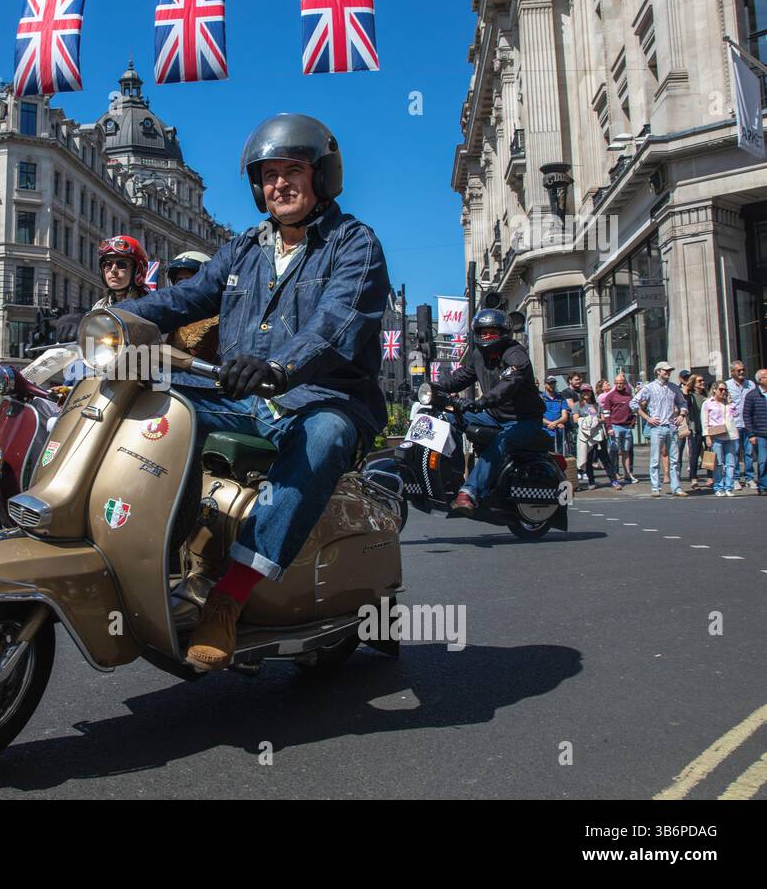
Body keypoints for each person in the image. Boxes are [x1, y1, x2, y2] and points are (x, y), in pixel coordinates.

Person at [107, 112, 390, 671]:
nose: (279, 184)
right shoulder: (242, 250)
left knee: (323, 438)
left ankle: (228, 599)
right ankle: (164, 550)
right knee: (156, 401)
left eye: (293, 170)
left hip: (320, 399)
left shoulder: (354, 244)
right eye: (267, 175)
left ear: (321, 176)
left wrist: (277, 367)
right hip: (243, 398)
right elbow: (181, 301)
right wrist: (111, 321)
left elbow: (336, 324)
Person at [435, 309, 546, 514]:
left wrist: (481, 402)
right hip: (493, 416)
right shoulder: (479, 356)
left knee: (500, 444)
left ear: (503, 333)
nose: (487, 336)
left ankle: (468, 493)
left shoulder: (515, 354)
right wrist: (434, 387)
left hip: (523, 420)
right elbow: (461, 376)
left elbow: (508, 384)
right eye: (483, 332)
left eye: (492, 332)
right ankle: (453, 476)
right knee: (448, 417)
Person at [631, 361, 690, 497]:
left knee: (674, 460)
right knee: (655, 459)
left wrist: (681, 415)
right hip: (656, 427)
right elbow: (633, 402)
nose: (668, 373)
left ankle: (676, 487)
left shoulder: (674, 387)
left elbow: (683, 403)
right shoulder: (649, 388)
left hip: (671, 426)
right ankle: (655, 487)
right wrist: (647, 418)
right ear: (658, 371)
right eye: (665, 370)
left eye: (669, 371)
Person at [164, 251, 220, 362]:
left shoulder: (219, 319)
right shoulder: (165, 314)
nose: (184, 286)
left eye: (191, 280)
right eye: (179, 280)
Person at [573, 387, 619, 489]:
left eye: (588, 391)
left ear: (591, 392)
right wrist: (588, 420)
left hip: (598, 435)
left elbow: (603, 419)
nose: (586, 393)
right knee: (588, 459)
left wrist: (595, 420)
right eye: (583, 391)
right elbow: (575, 419)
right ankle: (591, 481)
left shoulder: (597, 405)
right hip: (586, 436)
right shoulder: (577, 405)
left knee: (605, 458)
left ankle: (614, 480)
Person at [703, 380, 739, 496]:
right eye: (721, 389)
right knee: (718, 464)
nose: (723, 392)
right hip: (716, 436)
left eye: (725, 390)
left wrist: (729, 403)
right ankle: (718, 487)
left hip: (729, 436)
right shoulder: (708, 403)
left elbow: (736, 414)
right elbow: (704, 422)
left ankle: (729, 487)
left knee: (730, 463)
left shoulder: (727, 403)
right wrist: (707, 437)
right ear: (714, 389)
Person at [600, 372, 638, 483]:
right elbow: (606, 413)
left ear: (624, 383)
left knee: (626, 451)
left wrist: (633, 422)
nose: (619, 385)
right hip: (615, 426)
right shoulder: (610, 396)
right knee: (614, 451)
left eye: (621, 383)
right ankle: (615, 474)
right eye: (617, 383)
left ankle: (627, 474)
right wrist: (609, 427)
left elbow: (634, 411)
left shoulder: (629, 396)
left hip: (626, 427)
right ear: (614, 384)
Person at [726, 361, 753, 488]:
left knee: (749, 451)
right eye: (738, 370)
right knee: (735, 451)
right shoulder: (726, 386)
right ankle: (735, 478)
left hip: (748, 423)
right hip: (734, 423)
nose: (742, 372)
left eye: (743, 370)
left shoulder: (751, 384)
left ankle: (749, 478)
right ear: (732, 372)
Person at [744, 369, 767, 495]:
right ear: (760, 380)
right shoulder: (752, 395)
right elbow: (746, 415)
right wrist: (751, 434)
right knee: (763, 461)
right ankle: (763, 486)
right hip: (760, 434)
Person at [541, 376, 569, 454]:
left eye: (553, 383)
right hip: (545, 433)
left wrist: (555, 424)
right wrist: (551, 424)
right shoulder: (540, 398)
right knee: (546, 456)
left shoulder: (561, 398)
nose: (552, 385)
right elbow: (538, 417)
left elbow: (565, 416)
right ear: (545, 384)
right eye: (550, 383)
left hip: (559, 433)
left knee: (559, 457)